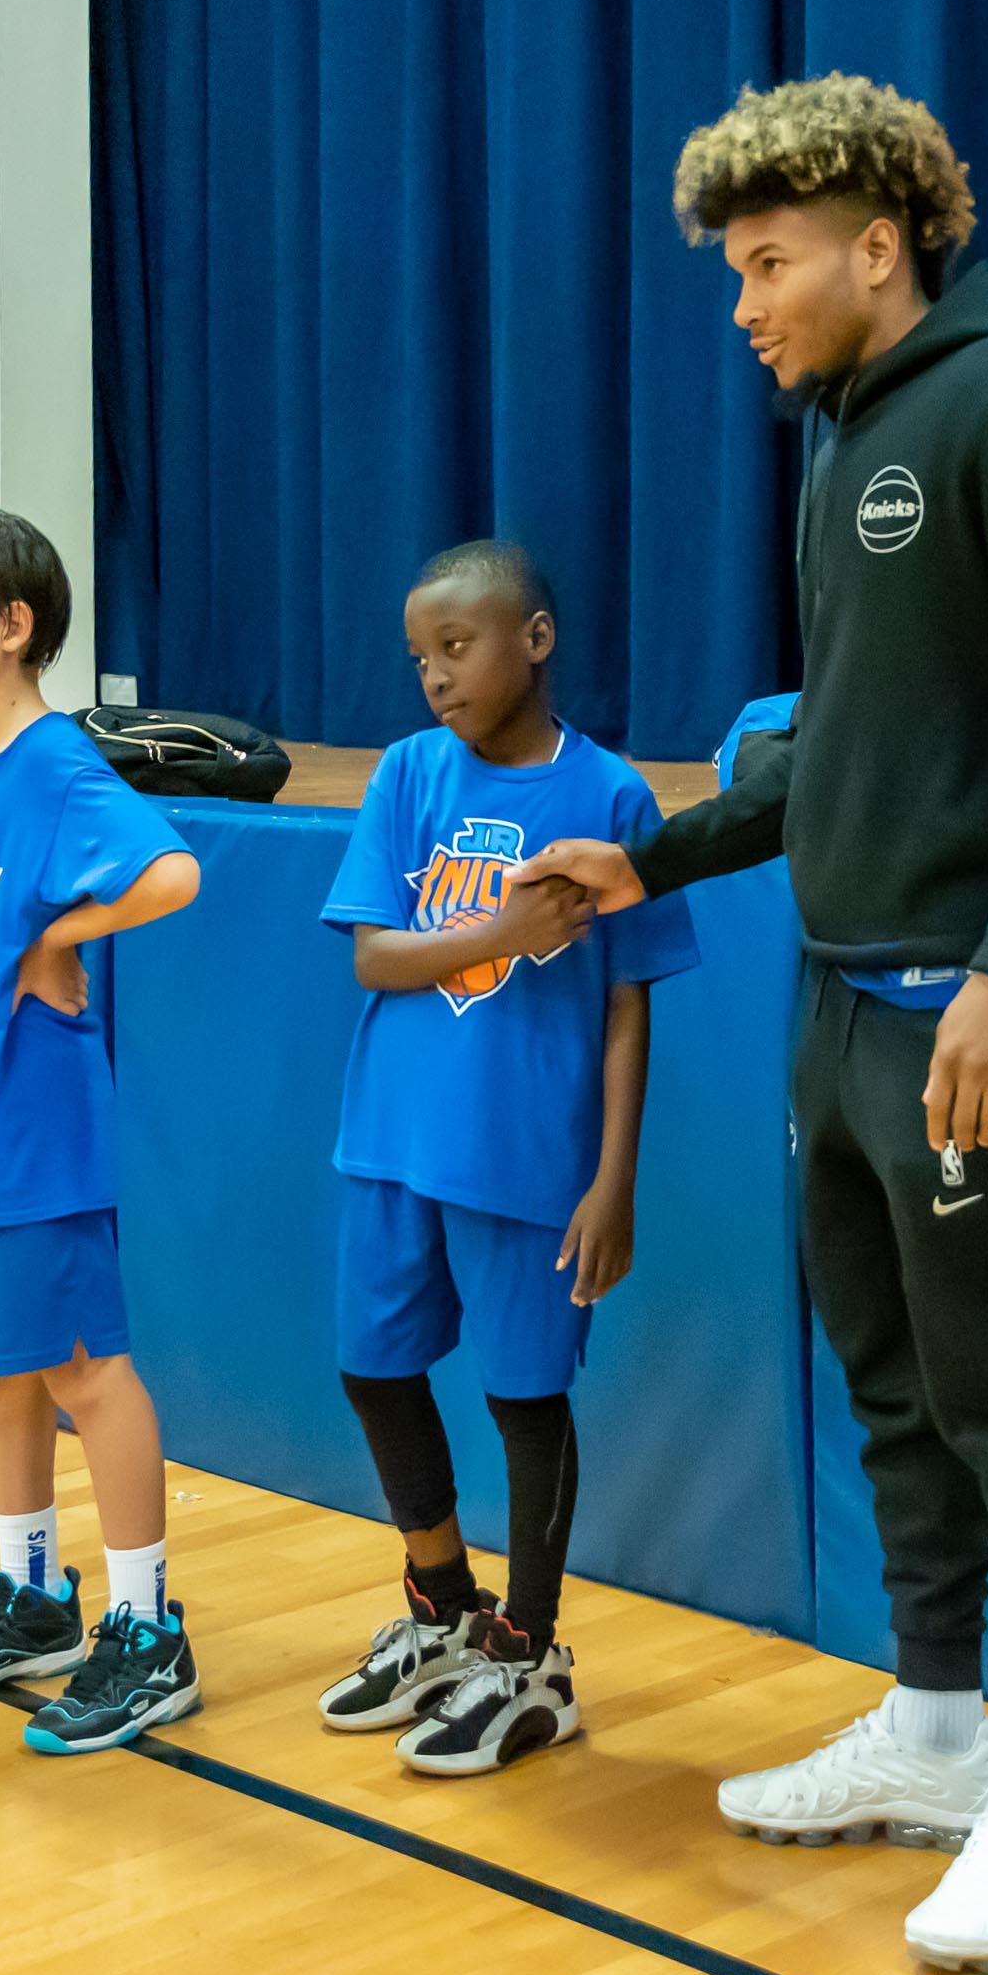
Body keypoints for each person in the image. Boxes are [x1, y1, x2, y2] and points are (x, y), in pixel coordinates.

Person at [514, 74, 988, 1973]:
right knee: (896, 1389)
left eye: (770, 265)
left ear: (882, 247)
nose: (744, 306)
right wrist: (667, 854)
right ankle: (945, 1734)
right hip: (839, 1003)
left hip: (972, 1004)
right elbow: (851, 746)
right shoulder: (841, 441)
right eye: (737, 270)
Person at [315, 542, 699, 1775]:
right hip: (391, 1135)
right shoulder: (407, 774)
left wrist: (615, 1177)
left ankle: (531, 1654)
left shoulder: (614, 797)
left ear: (533, 639)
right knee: (374, 1369)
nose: (435, 676)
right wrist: (503, 928)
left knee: (525, 1398)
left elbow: (633, 1001)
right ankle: (442, 1604)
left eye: (458, 647)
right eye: (419, 656)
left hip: (530, 1156)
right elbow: (375, 956)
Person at [0, 510, 208, 1755]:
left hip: (30, 1124)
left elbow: (171, 875)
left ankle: (146, 1630)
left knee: (82, 1367)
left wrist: (57, 942)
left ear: (11, 629)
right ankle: (31, 1599)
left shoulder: (59, 763)